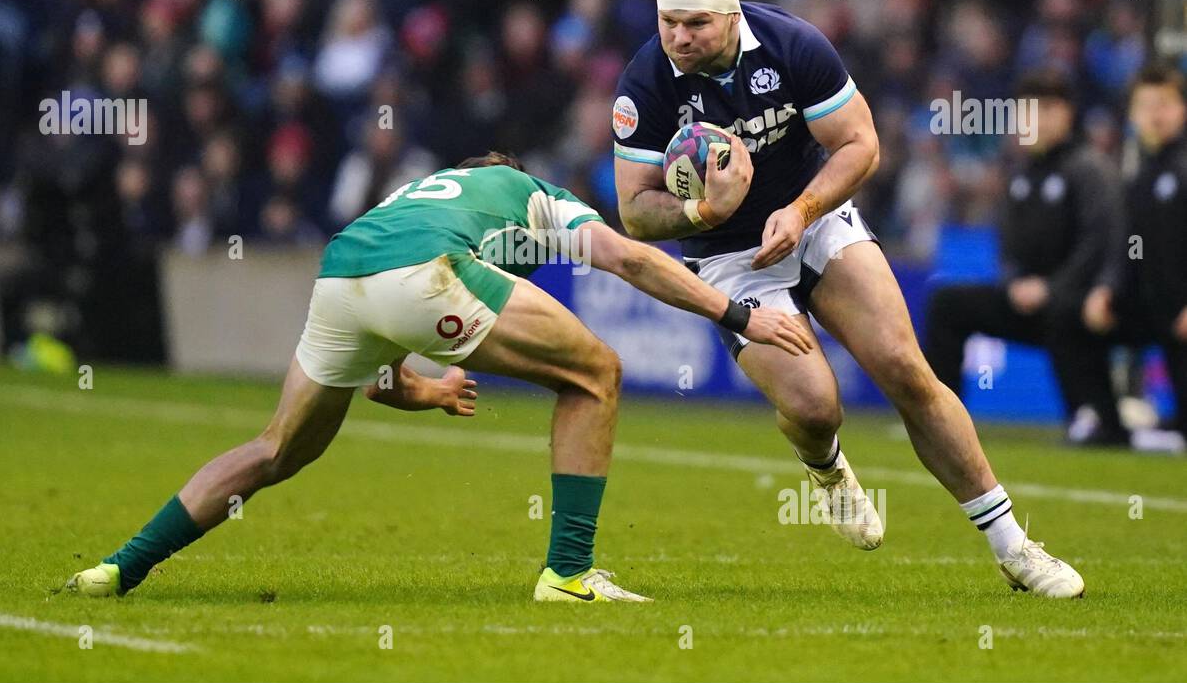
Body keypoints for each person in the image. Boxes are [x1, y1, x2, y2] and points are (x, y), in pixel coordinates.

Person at [65, 152, 812, 603]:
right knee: (596, 375)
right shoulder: (536, 197)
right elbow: (630, 257)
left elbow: (381, 377)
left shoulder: (418, 195)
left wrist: (429, 389)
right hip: (427, 274)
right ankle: (569, 574)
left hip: (342, 275)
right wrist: (736, 313)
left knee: (276, 449)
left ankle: (116, 570)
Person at [611, 0, 1083, 597]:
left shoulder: (792, 45)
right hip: (727, 255)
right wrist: (700, 215)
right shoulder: (645, 81)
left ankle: (1016, 549)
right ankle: (828, 468)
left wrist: (801, 211)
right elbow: (634, 211)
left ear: (732, 12)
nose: (679, 37)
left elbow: (861, 146)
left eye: (695, 22)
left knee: (904, 367)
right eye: (668, 21)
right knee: (813, 405)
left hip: (815, 220)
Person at [924, 73, 1125, 445]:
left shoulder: (1089, 168)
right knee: (947, 303)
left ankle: (1091, 417)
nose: (1037, 120)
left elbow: (1099, 243)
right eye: (1028, 110)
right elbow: (1008, 245)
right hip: (1024, 299)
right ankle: (940, 419)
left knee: (1065, 310)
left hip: (1078, 300)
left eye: (1048, 109)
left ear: (1068, 114)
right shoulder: (1019, 174)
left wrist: (1051, 287)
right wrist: (1014, 281)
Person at [1082, 64, 1187, 451]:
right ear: (1132, 115)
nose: (1156, 114)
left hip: (1181, 312)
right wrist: (1106, 290)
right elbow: (1127, 246)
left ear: (1182, 110)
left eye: (1165, 104)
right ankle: (1106, 422)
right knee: (1077, 319)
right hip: (1153, 309)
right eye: (1146, 106)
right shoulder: (1138, 173)